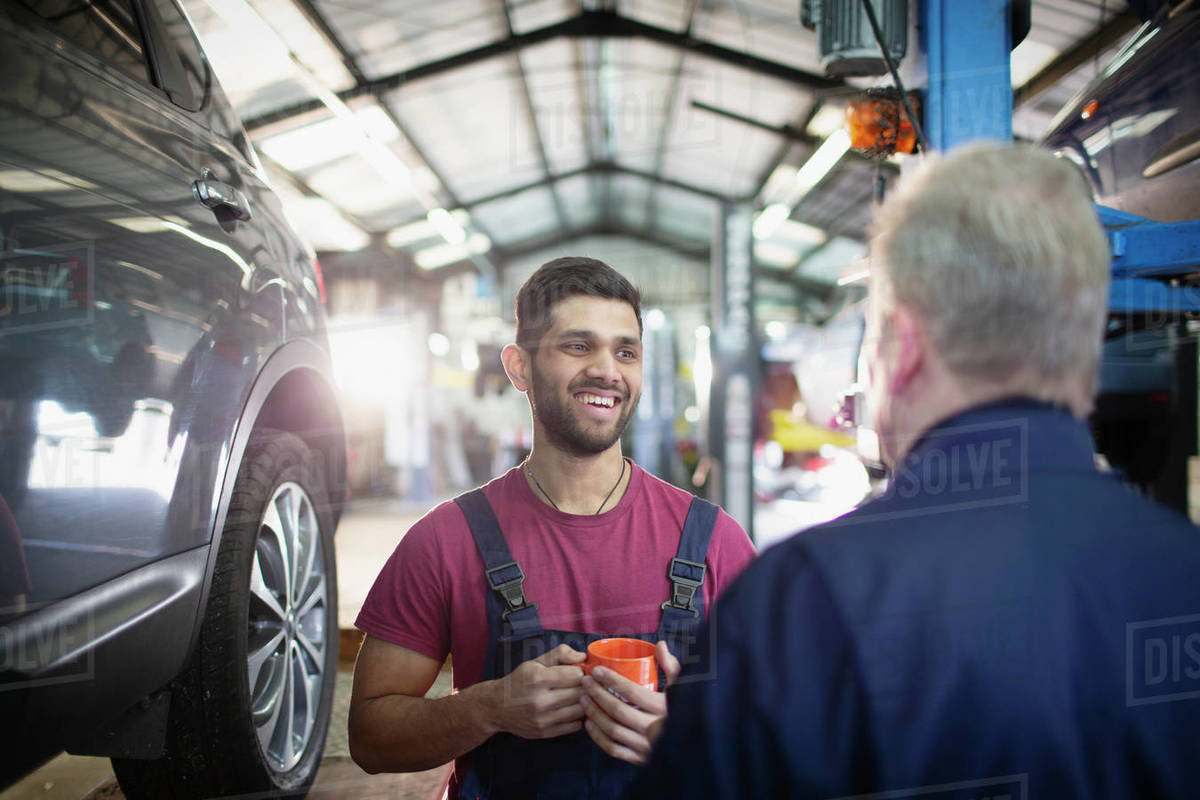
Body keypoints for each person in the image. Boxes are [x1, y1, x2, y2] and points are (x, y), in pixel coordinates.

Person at [629, 143, 1200, 797]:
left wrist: (704, 734)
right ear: (1083, 347)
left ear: (902, 349)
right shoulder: (1185, 571)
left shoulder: (802, 604)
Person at [350, 256, 756, 799]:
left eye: (626, 351)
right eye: (578, 346)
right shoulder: (446, 540)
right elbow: (370, 738)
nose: (608, 371)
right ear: (519, 367)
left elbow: (791, 726)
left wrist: (691, 736)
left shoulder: (715, 542)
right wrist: (488, 707)